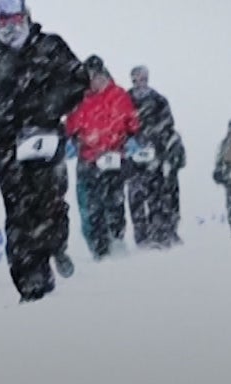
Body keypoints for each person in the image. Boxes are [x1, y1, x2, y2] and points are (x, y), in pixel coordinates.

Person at [0, 0, 88, 303]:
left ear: (26, 13)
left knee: (50, 203)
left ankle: (55, 245)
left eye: (13, 14)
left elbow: (78, 78)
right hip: (8, 146)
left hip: (46, 137)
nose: (8, 23)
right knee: (19, 214)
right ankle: (32, 284)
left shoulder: (50, 46)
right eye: (0, 17)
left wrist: (52, 104)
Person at [66, 56, 140, 259]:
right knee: (91, 207)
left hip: (114, 159)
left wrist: (131, 141)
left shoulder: (119, 96)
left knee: (114, 202)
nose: (94, 82)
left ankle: (116, 239)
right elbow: (70, 127)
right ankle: (98, 248)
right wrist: (70, 142)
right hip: (88, 160)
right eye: (89, 78)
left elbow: (132, 123)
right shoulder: (79, 99)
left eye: (97, 77)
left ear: (105, 75)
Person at [125, 65, 180, 248]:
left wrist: (156, 143)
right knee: (135, 197)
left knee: (157, 196)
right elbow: (119, 124)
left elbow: (168, 125)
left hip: (154, 156)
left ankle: (160, 234)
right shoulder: (125, 100)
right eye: (136, 79)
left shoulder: (159, 100)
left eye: (143, 78)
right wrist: (129, 142)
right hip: (133, 158)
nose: (139, 82)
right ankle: (141, 238)